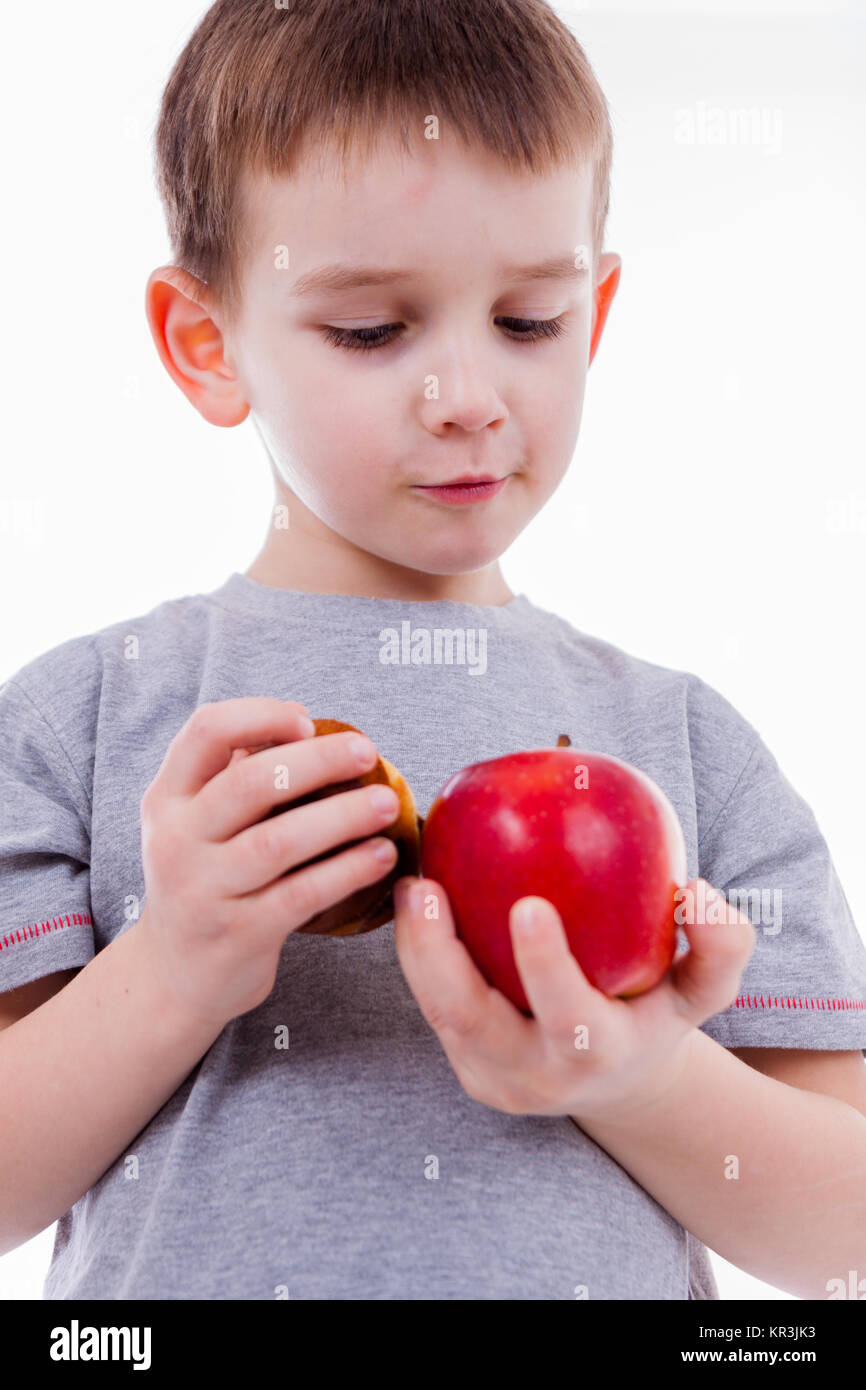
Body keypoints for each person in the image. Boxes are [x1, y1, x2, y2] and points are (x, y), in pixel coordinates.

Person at [1, 0, 864, 1301]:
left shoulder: (686, 742)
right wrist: (173, 964)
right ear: (206, 343)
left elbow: (836, 1232)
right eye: (369, 330)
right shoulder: (80, 717)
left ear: (598, 311)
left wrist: (639, 1075)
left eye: (527, 320)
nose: (468, 396)